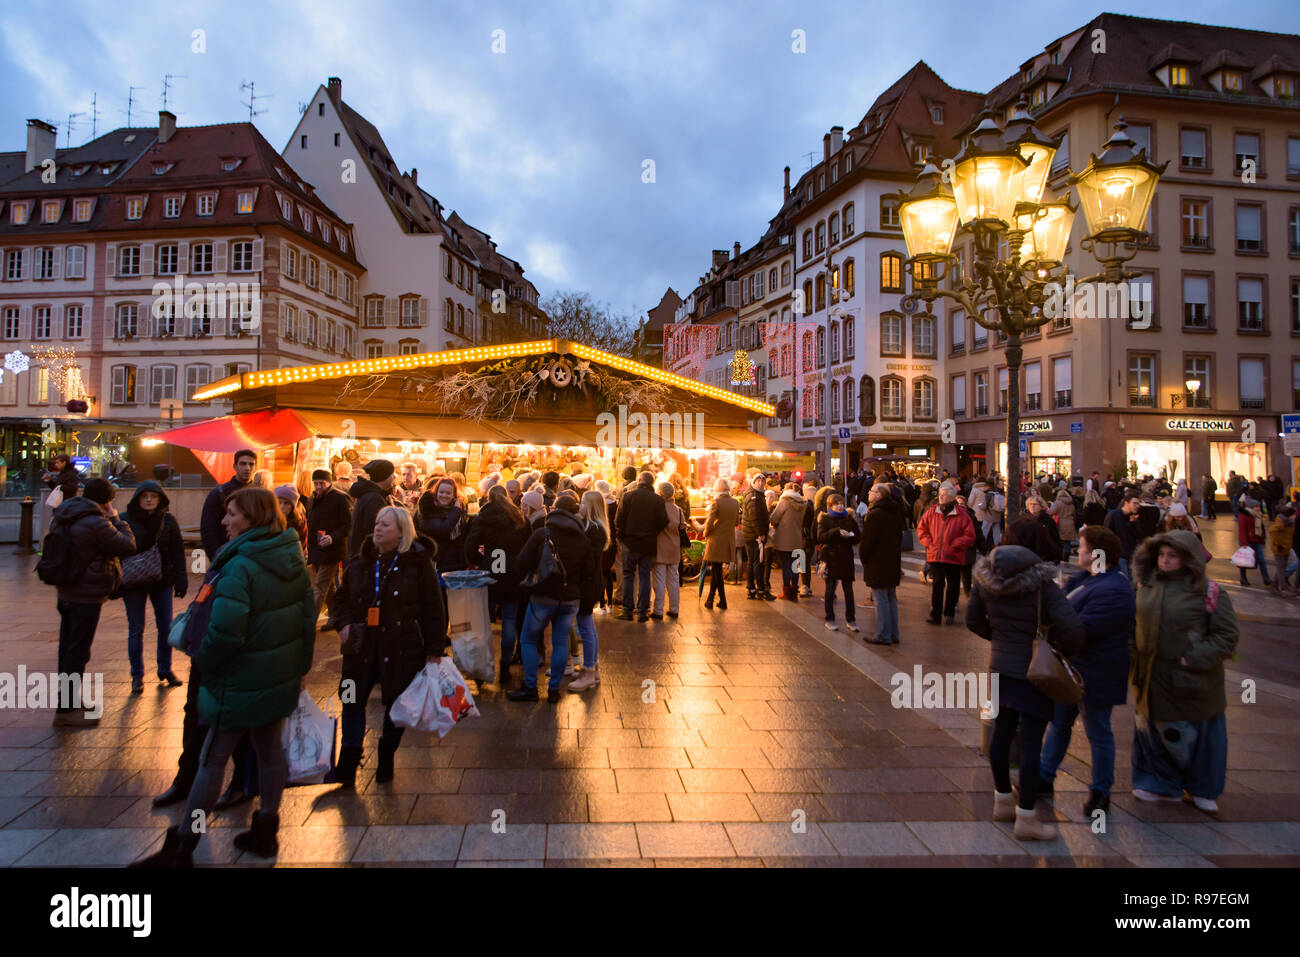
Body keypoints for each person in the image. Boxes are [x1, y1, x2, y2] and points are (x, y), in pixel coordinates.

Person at [131, 487, 316, 866]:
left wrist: (206, 662)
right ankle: (266, 830)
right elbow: (307, 623)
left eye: (231, 514)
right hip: (277, 676)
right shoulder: (292, 558)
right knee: (269, 753)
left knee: (212, 761)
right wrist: (299, 669)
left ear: (252, 518)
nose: (223, 521)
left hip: (238, 680)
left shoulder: (239, 565)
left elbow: (226, 633)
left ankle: (184, 845)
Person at [966, 544, 1085, 841]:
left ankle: (1002, 800)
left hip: (999, 667)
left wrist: (999, 640)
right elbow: (1073, 627)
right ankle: (1027, 817)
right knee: (1031, 743)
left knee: (1002, 732)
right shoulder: (1042, 585)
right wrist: (1058, 651)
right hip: (1034, 671)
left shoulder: (984, 582)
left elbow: (973, 620)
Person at [333, 506, 446, 787]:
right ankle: (349, 756)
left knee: (397, 703)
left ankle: (386, 752)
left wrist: (435, 649)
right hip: (361, 646)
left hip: (401, 645)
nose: (377, 529)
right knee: (351, 698)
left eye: (384, 525)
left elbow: (434, 609)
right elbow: (341, 599)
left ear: (401, 532)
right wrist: (343, 623)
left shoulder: (418, 565)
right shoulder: (361, 562)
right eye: (376, 523)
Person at [1130, 530, 1239, 814]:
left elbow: (1226, 636)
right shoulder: (1146, 585)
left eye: (1172, 556)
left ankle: (1202, 787)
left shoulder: (1210, 591)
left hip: (1193, 682)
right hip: (1151, 680)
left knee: (1199, 737)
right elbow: (1133, 623)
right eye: (1162, 555)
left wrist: (1193, 658)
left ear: (1187, 559)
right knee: (1152, 733)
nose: (1165, 561)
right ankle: (1159, 783)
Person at [1038, 526, 1133, 818]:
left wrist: (1054, 630)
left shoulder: (1114, 588)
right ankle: (1043, 778)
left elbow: (1083, 629)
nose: (1078, 552)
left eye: (1082, 547)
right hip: (1072, 667)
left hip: (1096, 671)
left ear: (1097, 554)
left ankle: (1101, 791)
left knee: (1098, 730)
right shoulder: (1085, 579)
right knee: (1059, 723)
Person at [47, 479, 136, 725]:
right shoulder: (95, 522)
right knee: (77, 651)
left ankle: (69, 701)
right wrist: (117, 519)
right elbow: (127, 545)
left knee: (68, 648)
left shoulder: (66, 513)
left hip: (66, 591)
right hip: (85, 595)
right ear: (107, 500)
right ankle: (66, 711)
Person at [509, 492, 596, 702]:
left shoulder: (543, 533)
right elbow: (589, 573)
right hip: (570, 599)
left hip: (543, 597)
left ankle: (530, 687)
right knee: (560, 643)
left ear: (555, 509)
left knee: (528, 640)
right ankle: (554, 690)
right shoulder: (582, 538)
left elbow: (521, 563)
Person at [120, 481, 187, 694]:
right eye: (145, 496)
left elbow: (178, 550)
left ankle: (165, 669)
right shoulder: (125, 520)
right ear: (138, 498)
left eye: (154, 496)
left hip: (162, 580)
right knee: (136, 628)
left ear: (160, 499)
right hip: (133, 581)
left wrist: (181, 579)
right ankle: (137, 674)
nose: (149, 499)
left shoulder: (168, 520)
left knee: (166, 626)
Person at [466, 484, 531, 683]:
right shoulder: (520, 517)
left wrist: (478, 561)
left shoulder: (483, 517)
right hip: (513, 572)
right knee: (509, 621)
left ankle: (483, 666)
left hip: (491, 568)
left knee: (484, 622)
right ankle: (505, 666)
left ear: (489, 498)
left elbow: (470, 544)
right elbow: (529, 545)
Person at [917, 485, 975, 625]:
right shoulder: (932, 511)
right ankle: (935, 614)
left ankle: (949, 612)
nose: (941, 497)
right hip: (936, 554)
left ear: (952, 497)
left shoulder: (962, 514)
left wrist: (956, 544)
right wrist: (929, 544)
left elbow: (970, 535)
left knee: (953, 584)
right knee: (937, 584)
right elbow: (922, 529)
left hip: (953, 555)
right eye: (940, 494)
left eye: (944, 495)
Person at [571, 491, 610, 691]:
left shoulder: (592, 529)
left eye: (583, 502)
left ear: (592, 506)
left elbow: (586, 557)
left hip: (587, 582)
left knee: (585, 627)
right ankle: (592, 667)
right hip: (591, 581)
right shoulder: (596, 527)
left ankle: (588, 671)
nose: (580, 505)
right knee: (587, 626)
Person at [615, 472, 668, 622]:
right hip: (648, 543)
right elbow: (663, 521)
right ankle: (643, 612)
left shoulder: (628, 496)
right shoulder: (657, 500)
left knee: (628, 576)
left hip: (629, 542)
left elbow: (618, 520)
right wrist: (653, 532)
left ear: (639, 481)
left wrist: (622, 537)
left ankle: (627, 610)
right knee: (645, 577)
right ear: (652, 482)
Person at [859, 482, 905, 645]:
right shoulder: (895, 511)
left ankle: (884, 634)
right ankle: (894, 633)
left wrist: (863, 557)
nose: (869, 493)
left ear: (879, 495)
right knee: (891, 597)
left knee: (881, 599)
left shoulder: (875, 514)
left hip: (878, 561)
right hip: (892, 560)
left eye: (871, 491)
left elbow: (868, 541)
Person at [305, 469, 352, 616]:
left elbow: (348, 524)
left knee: (319, 586)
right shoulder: (312, 498)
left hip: (333, 550)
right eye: (316, 483)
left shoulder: (340, 498)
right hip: (315, 548)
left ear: (329, 482)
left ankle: (309, 621)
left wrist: (333, 537)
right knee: (329, 586)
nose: (318, 486)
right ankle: (335, 616)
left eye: (322, 483)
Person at [199, 449, 256, 562]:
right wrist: (216, 557)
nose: (247, 468)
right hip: (226, 553)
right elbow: (208, 529)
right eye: (243, 463)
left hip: (252, 555)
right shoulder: (219, 493)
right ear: (235, 466)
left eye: (251, 464)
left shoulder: (259, 494)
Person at [817, 493, 859, 632]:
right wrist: (836, 532)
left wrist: (850, 536)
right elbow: (821, 537)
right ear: (830, 506)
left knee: (848, 590)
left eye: (841, 503)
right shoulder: (825, 519)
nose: (840, 506)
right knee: (830, 590)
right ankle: (830, 618)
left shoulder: (849, 519)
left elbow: (857, 537)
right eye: (836, 504)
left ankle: (851, 619)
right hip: (831, 558)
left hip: (846, 558)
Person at [651, 482, 688, 620]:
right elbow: (683, 527)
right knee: (673, 579)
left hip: (659, 548)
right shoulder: (677, 510)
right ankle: (674, 609)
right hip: (674, 549)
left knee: (659, 581)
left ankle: (658, 610)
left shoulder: (656, 508)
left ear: (660, 493)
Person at [348, 459, 399, 559]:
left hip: (361, 553)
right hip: (367, 556)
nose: (394, 477)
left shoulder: (370, 494)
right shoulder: (374, 499)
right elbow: (372, 530)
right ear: (384, 476)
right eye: (391, 474)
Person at [418, 476, 468, 573]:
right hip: (438, 563)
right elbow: (443, 530)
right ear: (436, 493)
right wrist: (456, 510)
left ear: (454, 495)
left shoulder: (454, 510)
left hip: (456, 561)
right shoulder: (429, 510)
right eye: (441, 492)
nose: (444, 495)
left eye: (448, 493)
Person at [702, 478, 739, 611]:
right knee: (717, 571)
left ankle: (720, 600)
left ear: (717, 489)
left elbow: (709, 523)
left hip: (716, 540)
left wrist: (706, 533)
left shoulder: (716, 502)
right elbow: (736, 522)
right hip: (728, 540)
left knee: (716, 571)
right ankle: (712, 600)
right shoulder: (735, 503)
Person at [769, 482, 809, 602]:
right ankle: (794, 594)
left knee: (786, 565)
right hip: (797, 538)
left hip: (784, 538)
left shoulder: (785, 501)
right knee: (795, 566)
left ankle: (786, 592)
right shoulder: (804, 503)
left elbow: (774, 518)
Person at [741, 473, 775, 601]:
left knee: (752, 561)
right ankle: (760, 589)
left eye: (763, 480)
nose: (761, 483)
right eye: (758, 480)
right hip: (754, 535)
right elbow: (754, 517)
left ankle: (752, 589)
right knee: (757, 562)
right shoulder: (753, 496)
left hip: (751, 534)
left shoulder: (757, 494)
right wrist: (760, 533)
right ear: (754, 482)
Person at [1103, 490, 1144, 579]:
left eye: (1138, 504)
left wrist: (1133, 523)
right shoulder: (1114, 515)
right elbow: (1106, 535)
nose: (1137, 506)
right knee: (1123, 580)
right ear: (1126, 503)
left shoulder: (1134, 517)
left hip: (1131, 555)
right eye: (1135, 503)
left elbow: (1138, 535)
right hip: (1119, 555)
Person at [1236, 497, 1271, 588]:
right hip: (1247, 541)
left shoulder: (1258, 515)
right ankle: (1243, 578)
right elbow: (1242, 530)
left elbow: (1261, 529)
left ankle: (1266, 579)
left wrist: (1262, 540)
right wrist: (1244, 543)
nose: (1259, 508)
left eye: (1259, 506)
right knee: (1244, 561)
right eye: (1257, 506)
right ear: (1251, 507)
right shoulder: (1244, 515)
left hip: (1256, 540)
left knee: (1261, 560)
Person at [1268, 504, 1296, 596]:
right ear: (1289, 515)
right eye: (1293, 514)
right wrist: (1277, 544)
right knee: (1281, 569)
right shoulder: (1281, 522)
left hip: (1286, 548)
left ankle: (1274, 586)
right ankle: (1283, 588)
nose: (1295, 516)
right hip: (1279, 549)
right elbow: (1272, 531)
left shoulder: (1290, 522)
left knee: (1282, 568)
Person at [275, 484, 308, 553]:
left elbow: (302, 544)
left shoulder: (299, 520)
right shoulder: (269, 518)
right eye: (279, 502)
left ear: (293, 506)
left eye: (286, 503)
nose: (282, 507)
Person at [1049, 489, 1077, 563]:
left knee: (1060, 541)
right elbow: (1074, 514)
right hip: (1070, 523)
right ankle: (1066, 557)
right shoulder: (1071, 504)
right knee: (1067, 542)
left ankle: (1060, 557)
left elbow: (1051, 512)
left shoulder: (1057, 503)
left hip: (1060, 523)